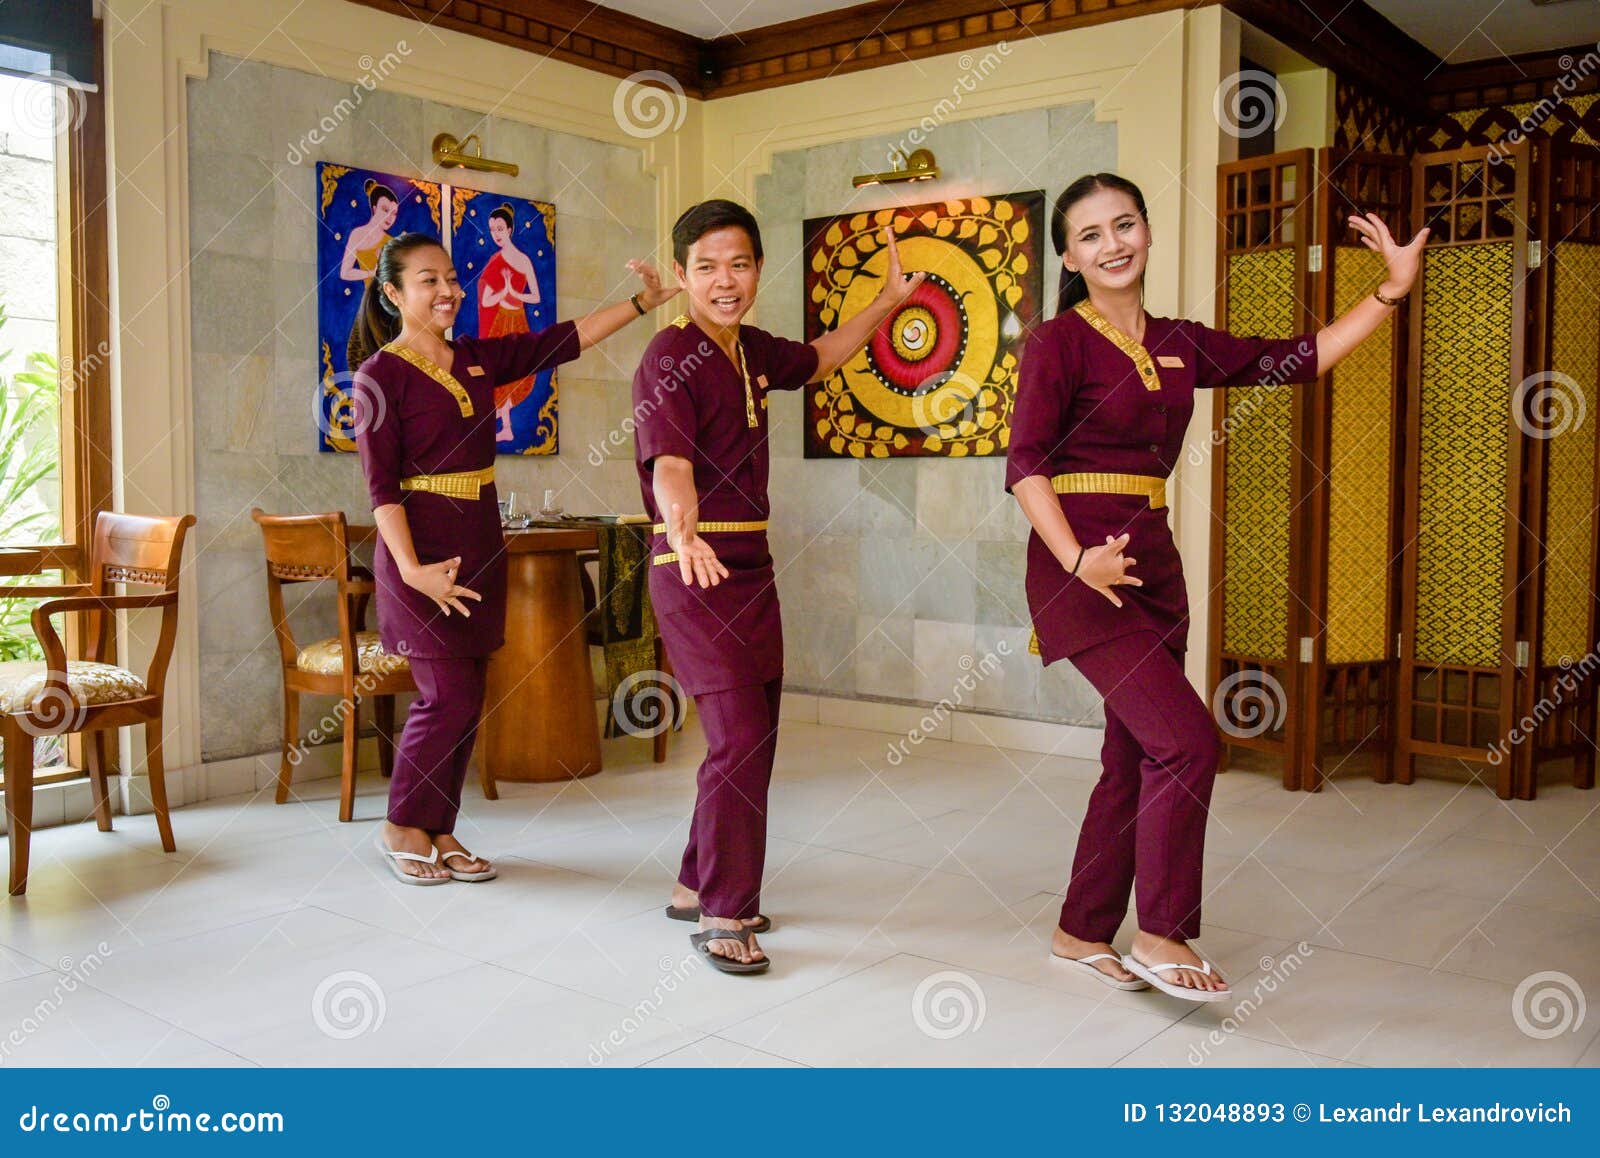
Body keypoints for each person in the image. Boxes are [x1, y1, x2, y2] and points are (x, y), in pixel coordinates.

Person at [1006, 172, 1424, 1001]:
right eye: (1090, 235)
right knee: (1189, 742)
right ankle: (1163, 930)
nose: (1112, 244)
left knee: (1131, 758)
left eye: (1125, 225)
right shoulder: (1058, 342)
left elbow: (1293, 360)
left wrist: (1390, 291)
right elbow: (1026, 465)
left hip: (1155, 568)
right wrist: (1074, 560)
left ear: (1149, 233)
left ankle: (1080, 929)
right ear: (1068, 255)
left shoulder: (1179, 340)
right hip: (1081, 572)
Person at [632, 199, 925, 972]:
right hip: (691, 566)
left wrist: (888, 303)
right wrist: (683, 528)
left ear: (758, 268)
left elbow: (824, 355)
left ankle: (697, 881)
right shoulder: (670, 355)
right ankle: (726, 910)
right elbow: (669, 461)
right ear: (684, 275)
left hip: (752, 568)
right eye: (705, 268)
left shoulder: (752, 350)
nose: (724, 281)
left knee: (753, 737)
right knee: (732, 736)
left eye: (738, 264)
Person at [352, 230, 680, 884]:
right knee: (444, 695)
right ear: (392, 294)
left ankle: (438, 829)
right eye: (428, 281)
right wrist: (413, 569)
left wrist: (642, 304)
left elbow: (564, 340)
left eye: (451, 278)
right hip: (421, 560)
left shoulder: (475, 358)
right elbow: (381, 487)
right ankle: (400, 824)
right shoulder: (378, 377)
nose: (447, 291)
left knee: (468, 696)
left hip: (478, 546)